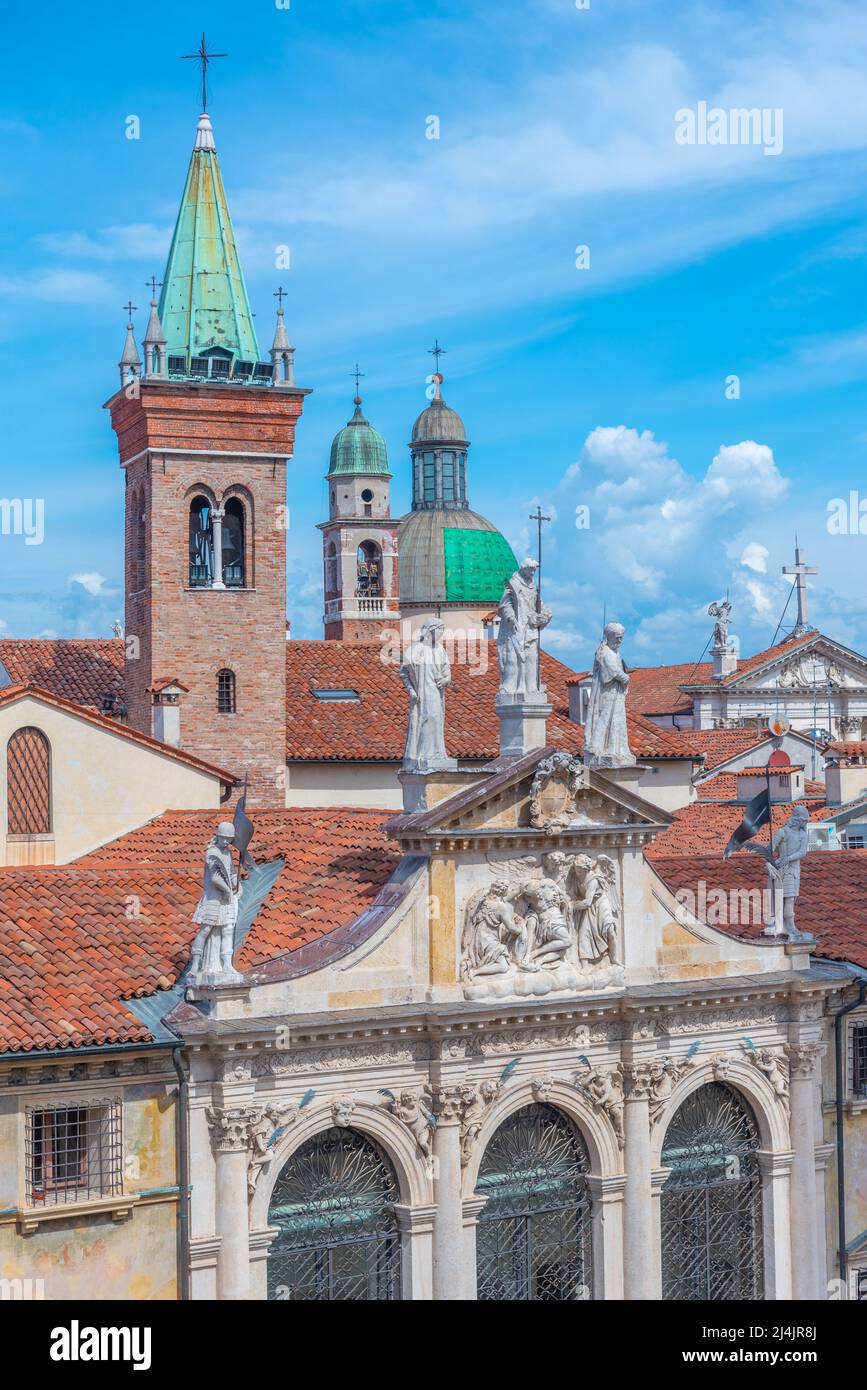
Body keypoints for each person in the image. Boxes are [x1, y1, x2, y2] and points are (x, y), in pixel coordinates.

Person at [400, 618, 452, 770]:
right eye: (439, 630)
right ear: (431, 630)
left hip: (436, 692)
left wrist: (445, 680)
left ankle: (436, 752)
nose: (441, 634)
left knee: (436, 719)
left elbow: (447, 672)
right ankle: (423, 753)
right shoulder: (415, 649)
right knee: (425, 719)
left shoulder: (440, 650)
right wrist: (411, 690)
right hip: (422, 693)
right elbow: (404, 673)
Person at [584, 621, 634, 766]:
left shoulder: (615, 652)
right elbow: (611, 670)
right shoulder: (604, 651)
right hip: (607, 694)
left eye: (621, 638)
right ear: (610, 636)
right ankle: (600, 746)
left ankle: (617, 749)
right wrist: (624, 677)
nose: (620, 641)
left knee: (617, 719)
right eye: (617, 637)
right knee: (606, 718)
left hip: (616, 693)